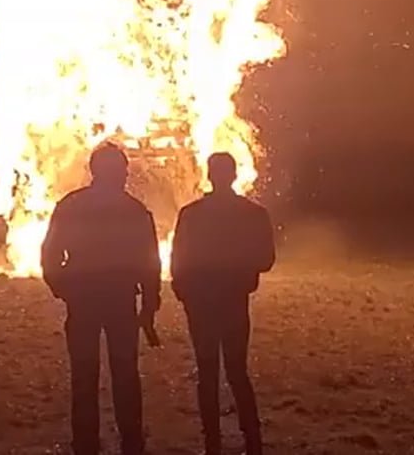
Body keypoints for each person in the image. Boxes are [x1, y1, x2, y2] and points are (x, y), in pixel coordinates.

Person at [41, 143, 162, 455]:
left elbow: (50, 255)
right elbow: (150, 263)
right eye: (122, 170)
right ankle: (132, 443)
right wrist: (149, 306)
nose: (125, 175)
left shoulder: (71, 206)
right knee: (125, 375)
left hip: (82, 301)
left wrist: (64, 289)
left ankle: (85, 445)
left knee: (84, 376)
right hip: (120, 302)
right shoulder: (134, 210)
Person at [171, 152, 276, 455]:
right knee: (236, 371)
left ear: (209, 175)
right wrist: (241, 271)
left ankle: (212, 443)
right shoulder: (253, 214)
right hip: (232, 300)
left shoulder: (191, 214)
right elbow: (266, 259)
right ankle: (251, 440)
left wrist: (184, 289)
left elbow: (178, 259)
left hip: (202, 302)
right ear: (233, 175)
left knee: (207, 372)